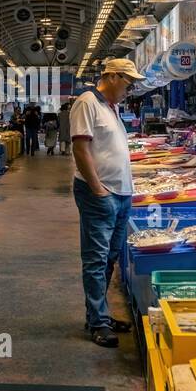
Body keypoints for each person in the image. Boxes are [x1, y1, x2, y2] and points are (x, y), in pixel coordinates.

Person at [71, 58, 145, 348]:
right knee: (95, 259)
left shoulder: (111, 107)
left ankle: (98, 313)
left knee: (109, 258)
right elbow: (80, 147)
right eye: (128, 81)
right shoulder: (87, 102)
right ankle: (98, 322)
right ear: (112, 76)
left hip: (120, 194)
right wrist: (97, 189)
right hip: (100, 195)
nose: (131, 88)